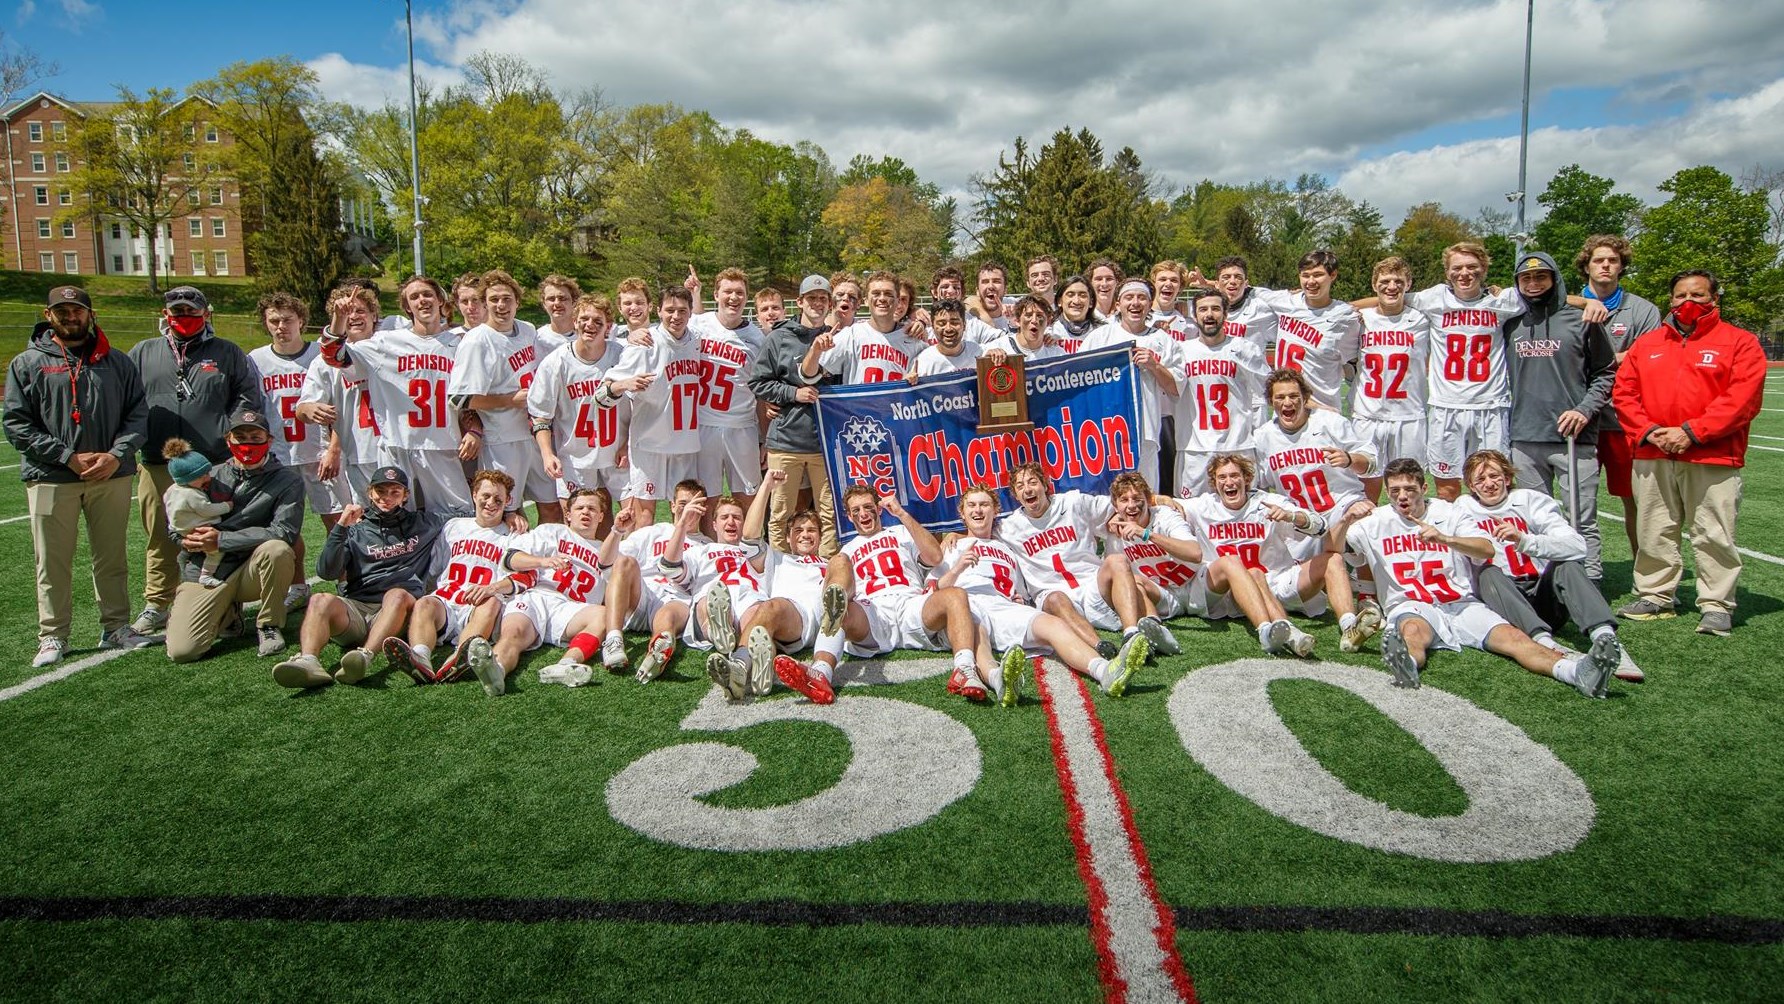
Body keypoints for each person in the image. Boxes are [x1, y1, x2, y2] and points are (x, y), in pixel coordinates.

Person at [1333, 458, 1612, 698]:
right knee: (1413, 633)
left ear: (1424, 488)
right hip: (1413, 603)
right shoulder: (1375, 521)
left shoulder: (1450, 512)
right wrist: (1345, 520)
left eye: (1409, 489)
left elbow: (1487, 548)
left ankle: (1577, 673)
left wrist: (1445, 538)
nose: (1402, 497)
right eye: (1394, 491)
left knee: (1514, 638)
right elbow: (1331, 549)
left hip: (1462, 602)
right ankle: (1406, 663)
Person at [5, 284, 153, 668]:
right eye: (62, 311)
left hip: (111, 474)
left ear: (90, 314)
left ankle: (116, 626)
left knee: (112, 556)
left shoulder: (116, 362)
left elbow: (138, 416)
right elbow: (16, 424)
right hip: (52, 476)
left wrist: (116, 455)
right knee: (52, 562)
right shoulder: (27, 363)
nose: (71, 317)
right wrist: (67, 457)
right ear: (48, 315)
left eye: (77, 310)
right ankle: (53, 635)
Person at [1612, 270, 1766, 636]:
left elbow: (1742, 399)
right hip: (1653, 452)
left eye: (1697, 295)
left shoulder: (1739, 342)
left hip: (1711, 455)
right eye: (1681, 296)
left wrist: (1692, 432)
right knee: (1653, 527)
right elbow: (1624, 393)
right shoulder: (1648, 345)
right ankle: (1655, 593)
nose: (1688, 302)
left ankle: (1716, 603)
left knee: (1712, 531)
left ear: (1714, 299)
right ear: (1670, 300)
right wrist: (1651, 431)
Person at [127, 285, 263, 637]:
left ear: (206, 314)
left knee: (218, 532)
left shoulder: (227, 352)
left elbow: (246, 400)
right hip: (159, 461)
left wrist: (232, 436)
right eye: (178, 312)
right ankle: (157, 603)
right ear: (166, 314)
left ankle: (226, 608)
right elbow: (127, 402)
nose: (184, 318)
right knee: (161, 534)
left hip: (213, 462)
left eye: (191, 311)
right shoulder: (144, 352)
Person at [934, 484, 1149, 706]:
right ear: (962, 513)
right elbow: (935, 590)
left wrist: (1018, 599)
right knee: (976, 629)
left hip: (1003, 606)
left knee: (1053, 625)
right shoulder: (951, 546)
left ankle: (1105, 671)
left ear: (995, 511)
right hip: (967, 603)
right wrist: (957, 567)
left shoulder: (1007, 548)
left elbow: (1021, 590)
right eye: (972, 505)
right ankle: (998, 679)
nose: (978, 510)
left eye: (984, 505)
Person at [1453, 450, 1629, 680]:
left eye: (1495, 476)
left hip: (1542, 592)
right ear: (1471, 486)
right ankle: (1544, 642)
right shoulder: (1464, 508)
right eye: (1480, 480)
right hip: (1504, 598)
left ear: (1507, 477)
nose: (1489, 484)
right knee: (1487, 572)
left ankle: (1606, 638)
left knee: (1567, 565)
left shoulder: (1529, 500)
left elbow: (1577, 546)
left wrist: (1525, 541)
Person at [272, 465, 448, 689]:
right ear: (370, 493)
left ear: (406, 496)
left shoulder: (424, 523)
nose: (387, 498)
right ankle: (309, 661)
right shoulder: (356, 530)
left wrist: (507, 513)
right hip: (358, 608)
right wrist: (341, 527)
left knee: (396, 595)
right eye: (381, 491)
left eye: (395, 492)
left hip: (399, 613)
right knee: (319, 599)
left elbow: (465, 518)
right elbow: (326, 572)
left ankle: (365, 656)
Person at [320, 274, 481, 517]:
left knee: (459, 516)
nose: (422, 300)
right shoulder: (385, 342)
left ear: (440, 300)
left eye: (427, 294)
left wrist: (474, 428)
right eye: (414, 297)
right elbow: (334, 356)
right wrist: (338, 320)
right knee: (391, 516)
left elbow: (471, 397)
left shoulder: (461, 343)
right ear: (407, 307)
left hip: (442, 443)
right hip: (397, 444)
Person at [1502, 252, 1617, 580]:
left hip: (1573, 438)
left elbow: (1605, 372)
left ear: (1554, 279)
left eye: (1541, 277)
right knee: (1535, 520)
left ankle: (1589, 582)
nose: (1534, 284)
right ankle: (1546, 581)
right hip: (1524, 436)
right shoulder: (1511, 322)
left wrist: (1584, 410)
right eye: (1526, 278)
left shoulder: (1582, 319)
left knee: (1581, 519)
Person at [163, 407, 304, 663]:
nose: (248, 444)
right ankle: (228, 614)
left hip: (252, 568)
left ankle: (269, 624)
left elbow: (285, 532)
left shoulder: (287, 480)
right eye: (241, 438)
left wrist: (221, 540)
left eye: (256, 437)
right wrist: (183, 539)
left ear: (269, 440)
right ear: (229, 441)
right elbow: (175, 518)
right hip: (208, 571)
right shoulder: (209, 473)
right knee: (183, 651)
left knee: (278, 550)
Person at [997, 462, 1164, 664]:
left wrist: (1155, 499)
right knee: (1055, 598)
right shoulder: (1008, 528)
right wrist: (953, 535)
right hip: (1055, 595)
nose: (1028, 489)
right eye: (1020, 486)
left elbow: (1117, 505)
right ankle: (1099, 646)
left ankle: (1131, 635)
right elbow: (980, 530)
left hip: (1091, 584)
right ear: (1015, 496)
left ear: (1046, 484)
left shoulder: (1073, 502)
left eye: (1033, 482)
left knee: (1117, 560)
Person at [1178, 453, 1333, 657]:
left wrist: (1292, 516)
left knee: (1255, 573)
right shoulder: (1202, 505)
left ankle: (1287, 631)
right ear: (1214, 483)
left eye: (1234, 476)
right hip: (1219, 591)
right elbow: (1162, 504)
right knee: (1233, 564)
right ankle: (1267, 631)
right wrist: (1160, 498)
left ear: (1247, 479)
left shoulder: (1266, 502)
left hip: (1264, 584)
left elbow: (1320, 526)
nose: (1229, 482)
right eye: (1222, 477)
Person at [386, 469, 523, 686]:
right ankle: (420, 658)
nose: (491, 503)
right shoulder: (454, 526)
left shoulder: (514, 534)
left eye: (498, 499)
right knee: (425, 603)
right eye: (485, 496)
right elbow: (435, 569)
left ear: (508, 501)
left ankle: (458, 658)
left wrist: (493, 588)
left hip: (481, 604)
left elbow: (520, 578)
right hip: (450, 598)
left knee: (491, 603)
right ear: (474, 495)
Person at [448, 269, 560, 524]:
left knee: (552, 505)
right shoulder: (477, 340)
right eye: (494, 299)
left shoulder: (528, 329)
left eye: (506, 298)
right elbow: (458, 399)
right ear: (485, 303)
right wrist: (509, 400)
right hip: (502, 438)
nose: (501, 305)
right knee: (508, 511)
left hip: (535, 434)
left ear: (517, 301)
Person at [492, 489, 629, 694]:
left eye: (592, 509)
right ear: (568, 514)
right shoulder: (553, 532)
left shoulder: (606, 550)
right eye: (580, 508)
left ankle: (565, 665)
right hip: (538, 596)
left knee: (603, 615)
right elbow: (510, 559)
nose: (585, 512)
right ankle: (496, 671)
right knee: (513, 634)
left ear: (601, 517)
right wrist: (542, 561)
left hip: (571, 609)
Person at [1576, 235, 1663, 556]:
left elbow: (1649, 356)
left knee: (1637, 500)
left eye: (1612, 260)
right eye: (1598, 260)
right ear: (1586, 265)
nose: (1606, 266)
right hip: (1580, 417)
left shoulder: (1642, 309)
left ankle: (1648, 573)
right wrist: (1583, 303)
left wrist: (1601, 358)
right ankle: (1578, 571)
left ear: (1622, 266)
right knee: (1577, 501)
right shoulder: (1566, 305)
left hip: (1622, 419)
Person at [600, 285, 705, 528]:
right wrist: (624, 384)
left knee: (687, 516)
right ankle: (641, 565)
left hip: (685, 443)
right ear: (657, 310)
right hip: (649, 443)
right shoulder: (645, 343)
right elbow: (602, 394)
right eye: (669, 310)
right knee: (643, 515)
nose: (676, 316)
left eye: (682, 310)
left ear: (691, 312)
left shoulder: (697, 339)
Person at [750, 274, 841, 556]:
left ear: (829, 303)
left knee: (830, 513)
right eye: (811, 298)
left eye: (823, 298)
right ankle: (778, 567)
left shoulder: (839, 336)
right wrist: (793, 393)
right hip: (786, 439)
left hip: (824, 442)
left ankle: (824, 567)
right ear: (799, 302)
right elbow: (758, 381)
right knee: (780, 513)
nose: (817, 303)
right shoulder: (780, 337)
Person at [248, 292, 328, 610]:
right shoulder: (255, 360)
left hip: (320, 450)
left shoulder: (321, 355)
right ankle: (297, 584)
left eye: (288, 320)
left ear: (302, 322)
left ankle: (350, 578)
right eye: (274, 321)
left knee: (336, 519)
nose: (281, 327)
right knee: (287, 524)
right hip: (280, 453)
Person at [529, 292, 629, 540]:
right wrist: (547, 453)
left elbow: (642, 407)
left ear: (609, 325)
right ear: (574, 322)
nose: (590, 325)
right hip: (575, 454)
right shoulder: (557, 362)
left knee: (631, 515)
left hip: (617, 451)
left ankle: (613, 569)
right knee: (578, 525)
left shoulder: (623, 355)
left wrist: (628, 444)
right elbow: (541, 415)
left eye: (598, 321)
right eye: (584, 318)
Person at [295, 284, 383, 531]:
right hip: (360, 450)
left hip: (398, 447)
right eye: (346, 312)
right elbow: (301, 409)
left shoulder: (390, 348)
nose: (354, 316)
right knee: (368, 522)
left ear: (374, 315)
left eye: (361, 311)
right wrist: (310, 409)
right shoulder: (322, 363)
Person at [1081, 278, 1181, 487]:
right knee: (1107, 495)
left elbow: (1176, 388)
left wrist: (1154, 366)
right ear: (1118, 304)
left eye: (1142, 298)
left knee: (1145, 492)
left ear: (1150, 303)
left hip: (1146, 432)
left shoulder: (1163, 340)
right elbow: (1079, 382)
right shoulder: (1099, 338)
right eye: (1129, 297)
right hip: (1106, 432)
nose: (1135, 303)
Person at [1171, 289, 1270, 497]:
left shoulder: (1245, 348)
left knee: (1244, 510)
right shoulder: (1181, 350)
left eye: (1215, 309)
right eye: (1203, 309)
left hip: (1237, 443)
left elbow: (1267, 390)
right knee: (1191, 512)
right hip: (1194, 447)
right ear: (1194, 315)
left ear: (1225, 314)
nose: (1209, 314)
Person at [1351, 257, 1433, 501]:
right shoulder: (1360, 319)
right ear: (1374, 285)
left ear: (1409, 285)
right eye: (1385, 281)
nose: (1391, 286)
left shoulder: (1422, 319)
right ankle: (1362, 538)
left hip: (1408, 416)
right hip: (1367, 415)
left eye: (1398, 281)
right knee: (1363, 489)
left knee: (1408, 489)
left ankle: (1410, 536)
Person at [160, 438, 234, 587]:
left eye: (207, 473)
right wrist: (227, 506)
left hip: (179, 529)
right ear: (186, 479)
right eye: (201, 476)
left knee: (186, 552)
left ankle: (183, 558)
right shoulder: (192, 494)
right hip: (199, 528)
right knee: (216, 551)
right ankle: (206, 575)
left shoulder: (172, 489)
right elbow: (206, 509)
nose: (207, 478)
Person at [1048, 275, 1099, 353]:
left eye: (1082, 295)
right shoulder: (1049, 331)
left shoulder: (1101, 332)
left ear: (1091, 302)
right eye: (1070, 295)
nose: (1076, 301)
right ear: (1059, 301)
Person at [535, 274, 582, 357]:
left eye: (562, 298)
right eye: (551, 299)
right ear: (544, 304)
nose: (557, 303)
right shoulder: (536, 339)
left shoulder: (586, 336)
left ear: (574, 302)